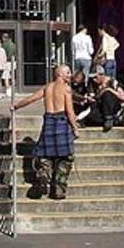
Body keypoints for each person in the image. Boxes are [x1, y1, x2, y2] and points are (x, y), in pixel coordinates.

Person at [11, 64, 78, 200]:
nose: (70, 75)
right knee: (66, 157)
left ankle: (43, 179)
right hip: (61, 122)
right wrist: (75, 127)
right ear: (59, 74)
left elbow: (31, 99)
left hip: (48, 121)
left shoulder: (47, 88)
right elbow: (70, 112)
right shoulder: (66, 89)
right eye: (67, 73)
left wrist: (16, 106)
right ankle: (58, 188)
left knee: (45, 156)